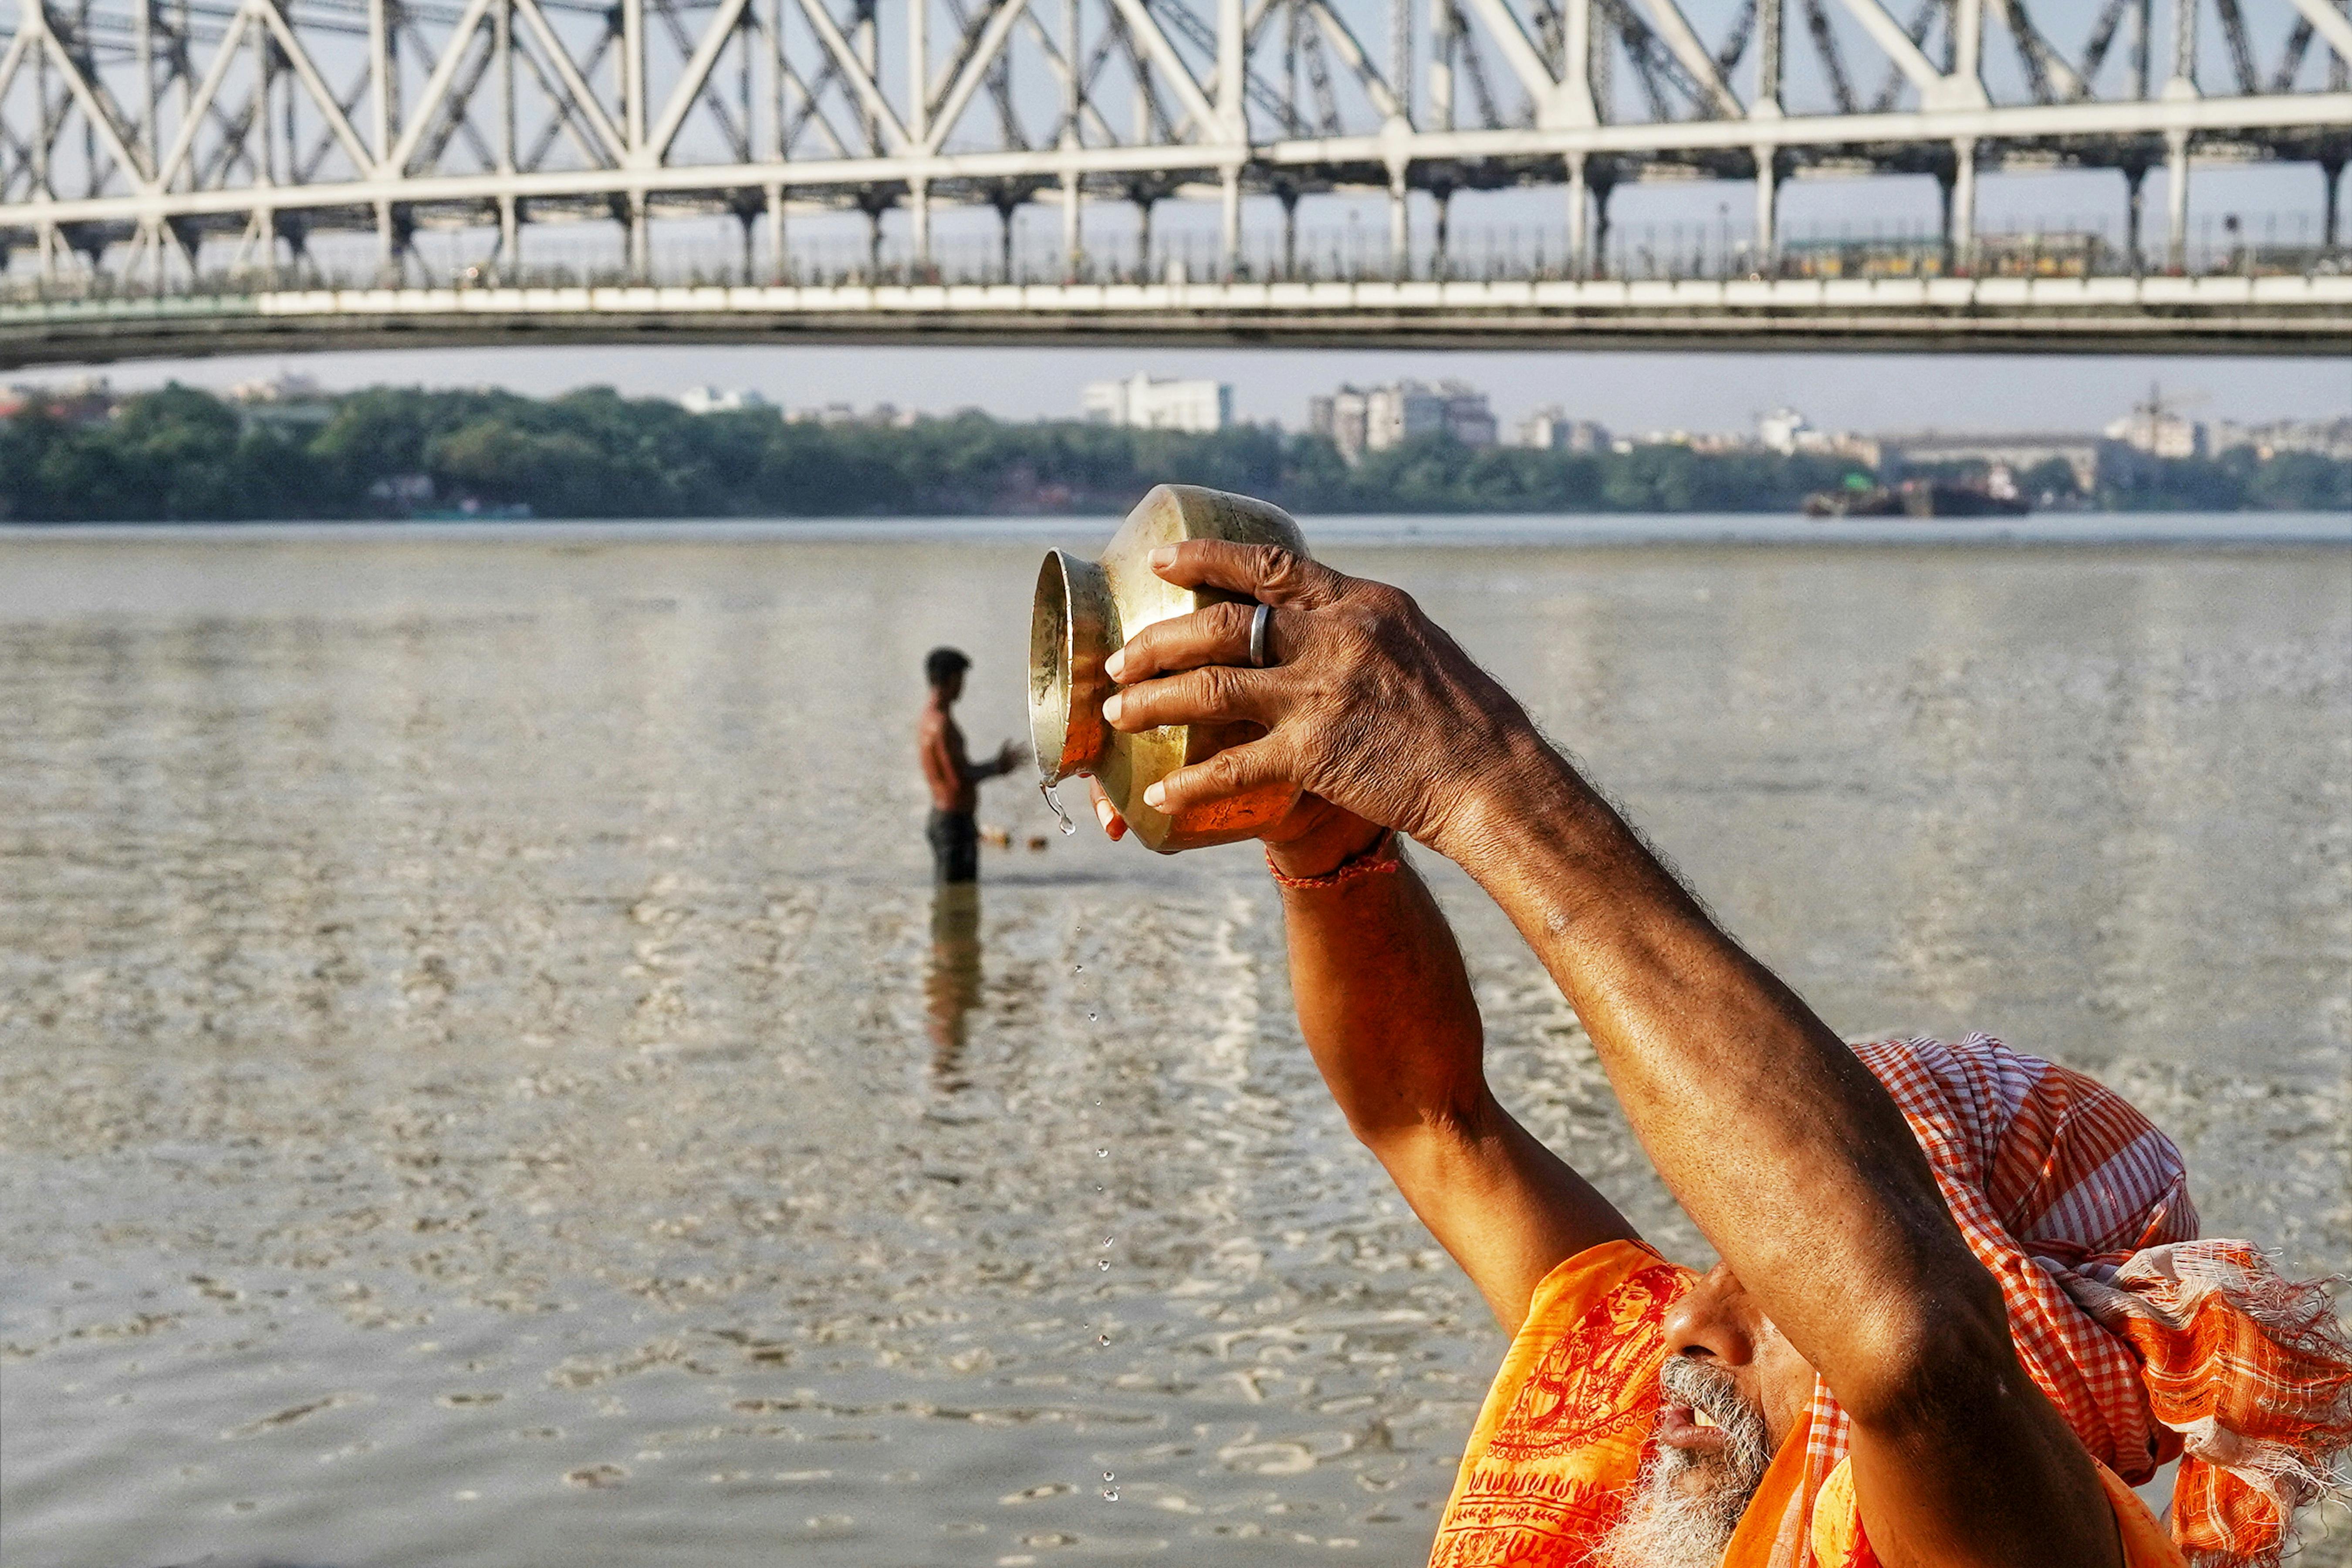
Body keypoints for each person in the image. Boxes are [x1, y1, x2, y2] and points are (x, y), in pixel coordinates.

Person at [1082, 541, 2351, 1568]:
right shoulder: (1659, 1405)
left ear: (2012, 1327)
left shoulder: (2038, 1532)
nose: (1688, 1320)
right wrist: (1322, 843)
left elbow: (1906, 1348)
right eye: (1723, 1265)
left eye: (1767, 1284)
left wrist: (1478, 771)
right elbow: (1430, 1119)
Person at [919, 645, 1019, 885]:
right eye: (961, 679)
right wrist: (998, 767)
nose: (963, 687)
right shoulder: (941, 726)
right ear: (951, 680)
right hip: (953, 824)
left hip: (948, 820)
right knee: (955, 901)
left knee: (955, 901)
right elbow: (958, 778)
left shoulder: (929, 719)